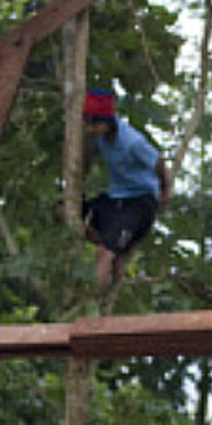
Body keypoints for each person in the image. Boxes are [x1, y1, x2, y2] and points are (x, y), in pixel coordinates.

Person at [79, 88, 170, 288]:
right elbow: (89, 157)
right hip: (115, 199)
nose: (91, 129)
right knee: (65, 210)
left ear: (106, 122)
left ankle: (96, 302)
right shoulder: (100, 138)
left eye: (94, 124)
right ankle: (116, 245)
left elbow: (160, 164)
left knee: (103, 255)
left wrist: (164, 194)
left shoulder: (132, 142)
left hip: (139, 201)